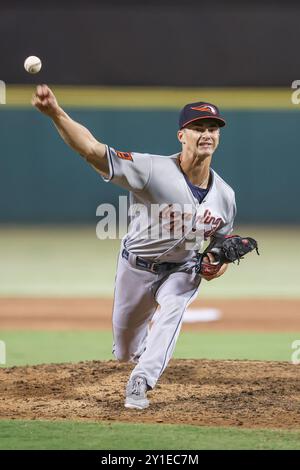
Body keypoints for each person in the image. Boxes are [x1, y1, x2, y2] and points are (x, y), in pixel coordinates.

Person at [32, 85, 236, 409]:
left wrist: (215, 263)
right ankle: (136, 357)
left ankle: (142, 379)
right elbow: (92, 150)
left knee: (174, 308)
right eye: (198, 128)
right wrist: (56, 113)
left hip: (183, 269)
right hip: (136, 267)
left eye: (212, 128)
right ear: (181, 135)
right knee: (124, 349)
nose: (207, 134)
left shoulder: (225, 195)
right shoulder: (151, 169)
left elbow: (222, 246)